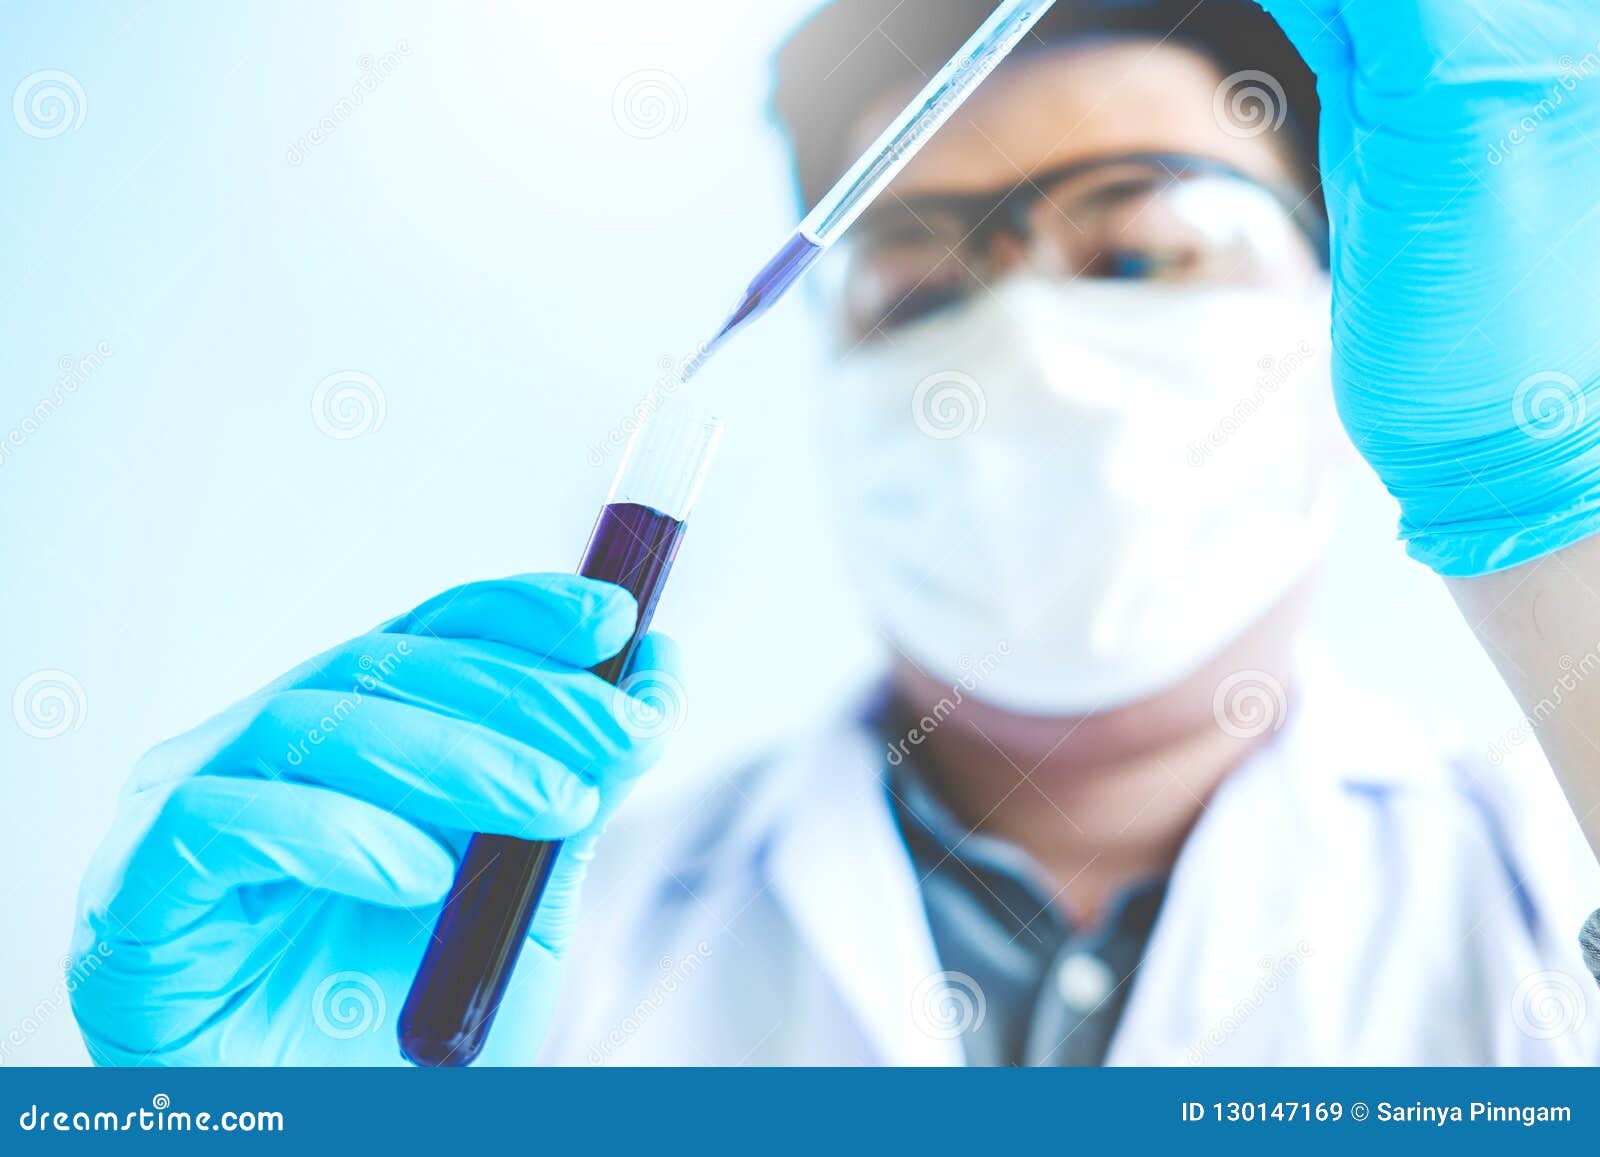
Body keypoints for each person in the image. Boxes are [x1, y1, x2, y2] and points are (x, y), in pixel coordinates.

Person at [69, 0, 1600, 1066]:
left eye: (1134, 252)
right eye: (920, 286)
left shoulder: (1550, 873)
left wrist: (1544, 518)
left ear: (1350, 303)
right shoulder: (516, 946)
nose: (1025, 347)